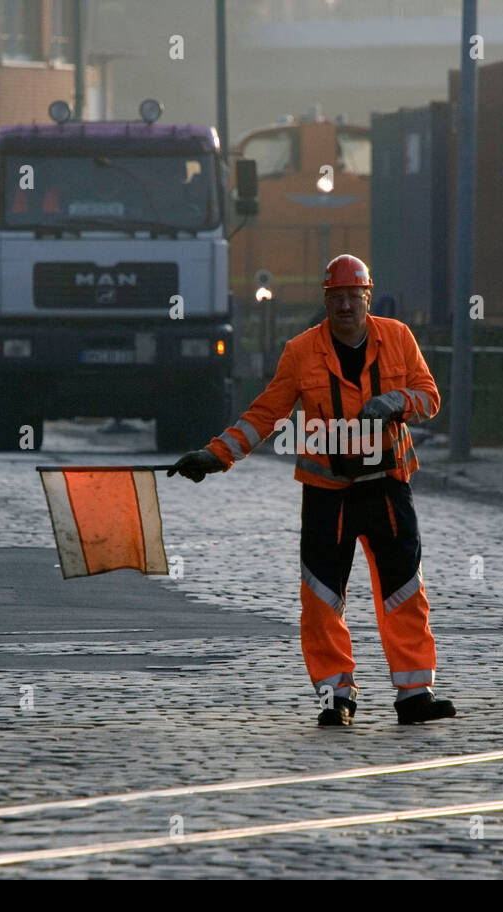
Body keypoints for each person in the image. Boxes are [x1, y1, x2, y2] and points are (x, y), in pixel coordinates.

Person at [169, 254, 457, 727]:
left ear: (368, 297)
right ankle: (336, 697)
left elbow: (429, 396)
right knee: (322, 597)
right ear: (325, 300)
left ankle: (414, 695)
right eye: (336, 297)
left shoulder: (399, 338)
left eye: (353, 296)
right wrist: (216, 455)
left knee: (404, 589)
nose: (345, 305)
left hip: (387, 486)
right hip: (328, 493)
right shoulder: (301, 351)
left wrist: (395, 401)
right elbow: (267, 413)